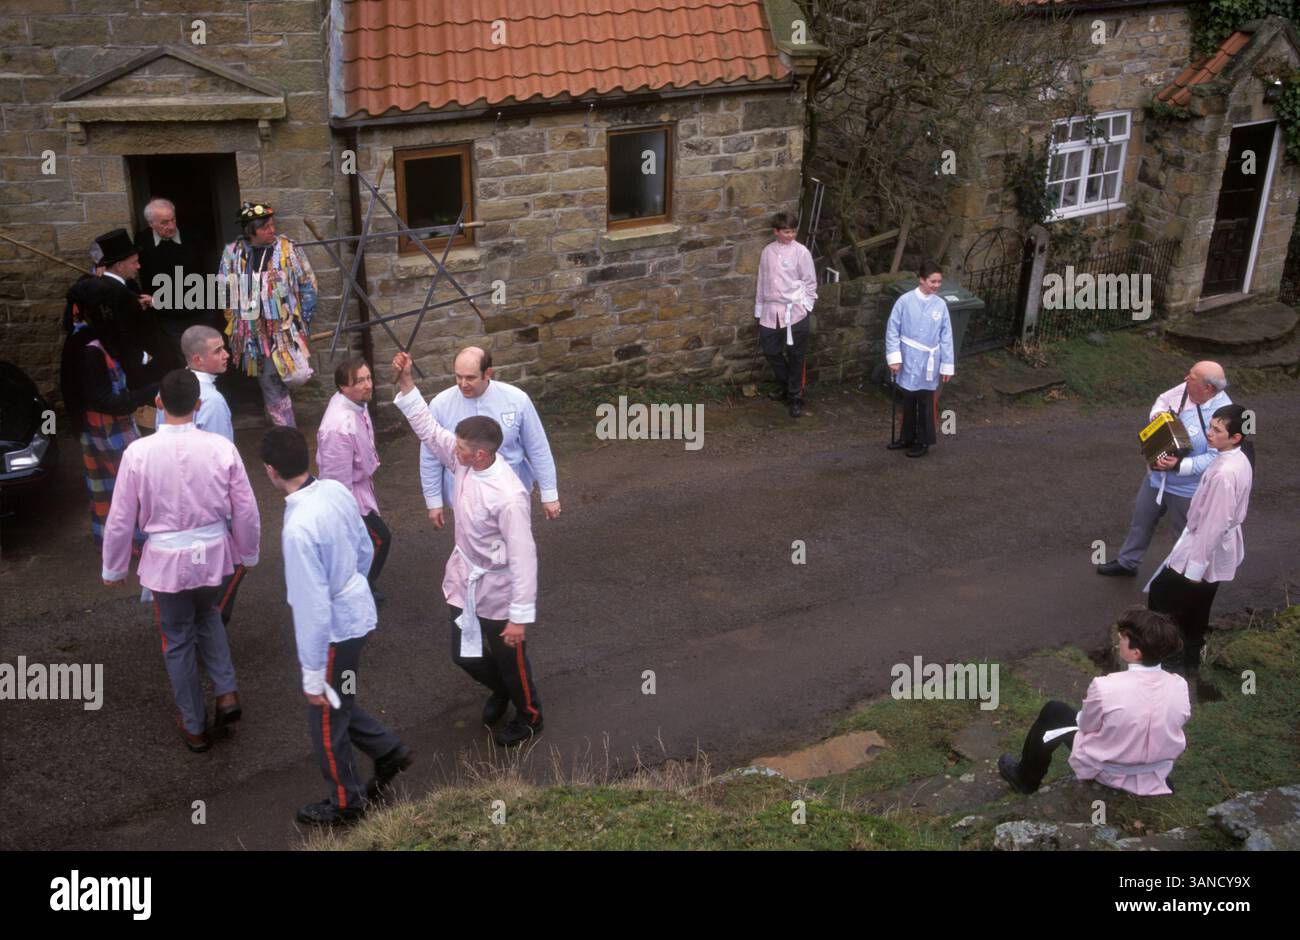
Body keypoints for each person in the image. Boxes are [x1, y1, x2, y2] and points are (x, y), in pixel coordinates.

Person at [101, 369, 260, 753]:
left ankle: (193, 723)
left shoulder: (138, 453)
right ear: (198, 405)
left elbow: (121, 516)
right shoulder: (222, 448)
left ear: (157, 403)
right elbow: (246, 508)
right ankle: (225, 692)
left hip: (167, 557)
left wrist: (114, 567)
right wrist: (249, 551)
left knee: (176, 638)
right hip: (213, 553)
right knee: (208, 617)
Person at [261, 427, 413, 825]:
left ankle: (346, 802)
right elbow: (364, 549)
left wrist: (312, 674)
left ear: (270, 471)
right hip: (357, 615)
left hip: (334, 633)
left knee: (325, 716)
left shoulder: (297, 530)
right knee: (341, 698)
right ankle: (387, 750)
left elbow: (312, 608)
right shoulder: (336, 491)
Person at [391, 350, 543, 747]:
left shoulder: (509, 496)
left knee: (512, 657)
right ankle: (503, 690)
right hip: (466, 576)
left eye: (459, 448)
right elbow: (428, 429)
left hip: (499, 587)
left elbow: (525, 557)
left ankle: (530, 715)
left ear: (481, 453)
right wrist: (407, 382)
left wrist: (519, 616)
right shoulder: (464, 461)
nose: (450, 452)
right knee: (464, 654)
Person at [998, 608, 1190, 796]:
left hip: (1111, 770)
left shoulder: (1105, 686)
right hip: (1156, 769)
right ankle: (1149, 778)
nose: (1119, 640)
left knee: (1054, 711)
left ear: (1136, 653)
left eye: (1123, 637)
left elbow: (1085, 725)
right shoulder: (1179, 685)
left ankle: (1025, 778)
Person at [1146, 404, 1254, 684]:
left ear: (1235, 438)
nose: (1209, 433)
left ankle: (1168, 662)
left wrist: (1194, 568)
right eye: (1211, 426)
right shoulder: (1238, 457)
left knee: (1163, 595)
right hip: (1215, 545)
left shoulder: (1224, 474)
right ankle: (1191, 661)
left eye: (1217, 430)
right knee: (1198, 605)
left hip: (1206, 546)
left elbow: (1214, 525)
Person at [60, 250, 161, 548]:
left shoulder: (95, 339)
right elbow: (103, 400)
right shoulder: (88, 349)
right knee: (131, 488)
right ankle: (139, 543)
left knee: (112, 488)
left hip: (106, 426)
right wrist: (150, 392)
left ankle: (117, 542)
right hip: (106, 428)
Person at [1097, 362, 1232, 577]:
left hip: (1188, 489)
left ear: (1208, 388)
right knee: (1141, 520)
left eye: (1192, 376)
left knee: (1184, 535)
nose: (1186, 378)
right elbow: (1162, 400)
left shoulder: (1224, 416)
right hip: (1156, 478)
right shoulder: (1185, 389)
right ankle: (1127, 562)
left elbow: (1216, 457)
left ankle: (1180, 575)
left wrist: (1179, 465)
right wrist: (1158, 418)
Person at [418, 345, 560, 529]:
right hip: (464, 499)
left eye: (470, 377)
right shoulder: (440, 404)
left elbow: (538, 447)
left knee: (514, 546)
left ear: (488, 373)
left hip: (511, 496)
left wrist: (549, 494)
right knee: (474, 550)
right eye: (458, 376)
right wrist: (433, 501)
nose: (462, 384)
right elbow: (430, 455)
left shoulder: (517, 400)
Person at [161, 325, 247, 627]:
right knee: (225, 572)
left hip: (176, 503)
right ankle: (210, 630)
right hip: (206, 506)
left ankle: (193, 627)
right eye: (218, 351)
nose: (226, 355)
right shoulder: (212, 401)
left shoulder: (174, 389)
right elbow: (222, 463)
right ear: (197, 359)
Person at [219, 201, 317, 427]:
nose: (272, 230)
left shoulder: (288, 249)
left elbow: (308, 285)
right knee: (269, 382)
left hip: (285, 330)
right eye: (265, 227)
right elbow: (224, 291)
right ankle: (285, 429)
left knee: (296, 375)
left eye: (272, 225)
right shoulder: (232, 254)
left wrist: (302, 325)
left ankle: (284, 425)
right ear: (250, 231)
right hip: (255, 334)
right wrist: (236, 325)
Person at [317, 358, 391, 600]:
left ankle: (363, 585)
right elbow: (336, 482)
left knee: (365, 545)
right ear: (343, 387)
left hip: (361, 487)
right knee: (380, 539)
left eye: (368, 378)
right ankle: (360, 589)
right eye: (359, 381)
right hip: (350, 497)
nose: (368, 385)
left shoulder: (357, 402)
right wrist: (345, 521)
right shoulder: (338, 427)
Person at [82, 228, 181, 390]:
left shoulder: (124, 286)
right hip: (142, 370)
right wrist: (142, 357)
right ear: (120, 266)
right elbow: (115, 332)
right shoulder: (111, 291)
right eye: (134, 262)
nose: (139, 266)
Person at [884, 262, 954, 458]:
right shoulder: (904, 301)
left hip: (929, 360)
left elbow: (946, 337)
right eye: (933, 281)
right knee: (908, 399)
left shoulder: (940, 305)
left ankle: (923, 440)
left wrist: (947, 366)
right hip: (908, 356)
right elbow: (892, 330)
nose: (936, 285)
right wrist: (894, 358)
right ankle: (906, 437)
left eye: (939, 281)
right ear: (922, 280)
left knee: (924, 401)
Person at [755, 212, 817, 418]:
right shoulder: (767, 252)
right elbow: (762, 281)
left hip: (795, 312)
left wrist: (806, 308)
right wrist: (759, 309)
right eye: (786, 231)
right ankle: (785, 385)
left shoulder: (802, 252)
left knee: (796, 356)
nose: (791, 235)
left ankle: (795, 396)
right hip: (771, 311)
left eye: (793, 231)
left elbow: (810, 282)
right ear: (776, 231)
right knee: (771, 351)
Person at [135, 197, 212, 351]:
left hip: (199, 311)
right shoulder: (142, 242)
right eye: (164, 222)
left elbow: (209, 273)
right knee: (183, 358)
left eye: (173, 219)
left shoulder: (194, 237)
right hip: (168, 317)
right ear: (151, 224)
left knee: (206, 354)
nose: (171, 226)